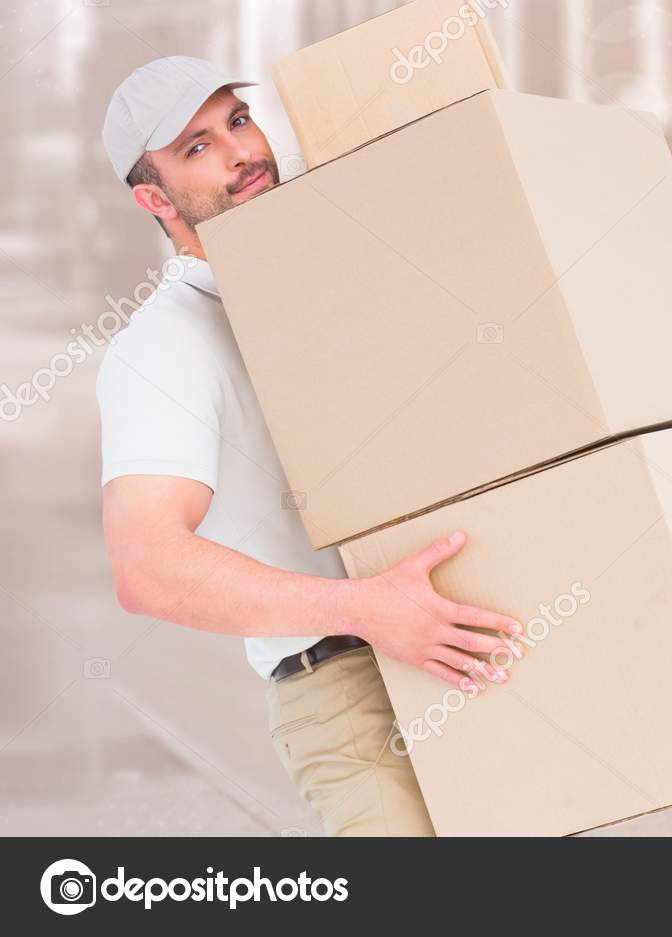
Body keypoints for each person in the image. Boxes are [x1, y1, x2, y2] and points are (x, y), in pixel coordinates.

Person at [96, 57, 523, 836]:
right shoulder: (164, 345)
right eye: (196, 148)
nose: (239, 152)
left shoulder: (326, 292)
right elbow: (145, 563)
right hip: (352, 695)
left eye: (237, 121)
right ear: (153, 199)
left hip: (467, 654)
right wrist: (367, 610)